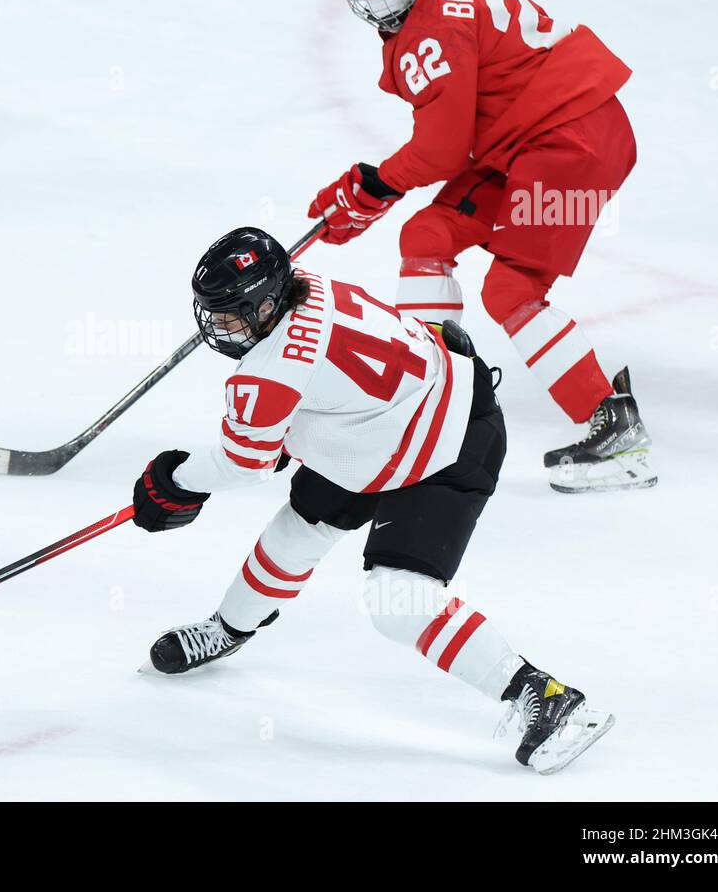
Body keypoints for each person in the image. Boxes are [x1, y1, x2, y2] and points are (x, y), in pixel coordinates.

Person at [130, 227, 613, 773]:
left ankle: (544, 695)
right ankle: (227, 630)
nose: (218, 326)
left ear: (267, 302)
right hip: (381, 426)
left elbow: (242, 464)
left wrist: (171, 482)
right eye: (212, 312)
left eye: (229, 313)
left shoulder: (269, 373)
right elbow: (334, 370)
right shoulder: (307, 284)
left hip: (448, 442)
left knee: (395, 599)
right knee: (297, 531)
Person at [307, 0, 654, 493]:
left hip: (570, 144)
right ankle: (428, 403)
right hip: (536, 134)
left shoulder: (430, 36)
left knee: (512, 289)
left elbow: (442, 153)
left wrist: (370, 188)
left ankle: (616, 431)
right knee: (427, 236)